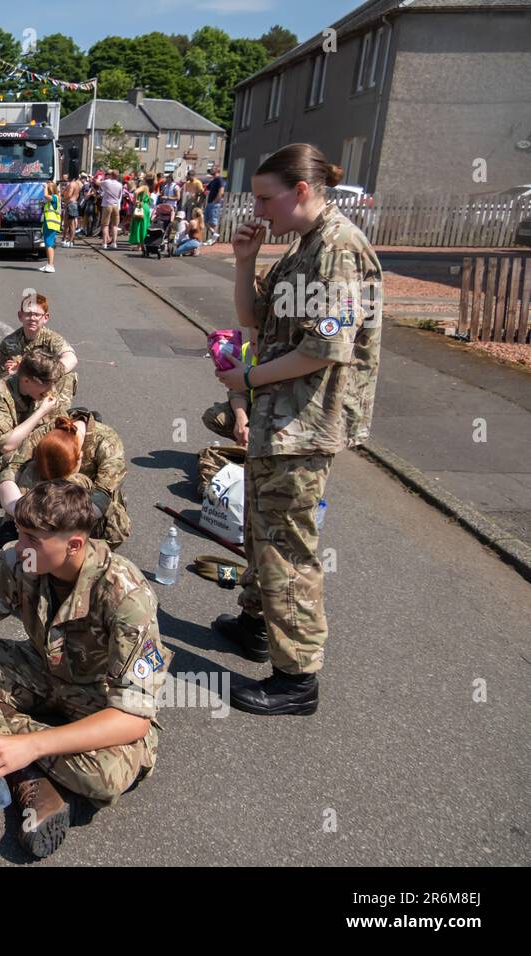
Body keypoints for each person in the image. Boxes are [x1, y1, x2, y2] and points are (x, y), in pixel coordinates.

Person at [0, 480, 167, 859]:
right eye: (20, 532)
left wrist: (29, 745)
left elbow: (134, 719)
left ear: (74, 545)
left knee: (107, 775)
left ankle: (4, 748)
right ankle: (26, 775)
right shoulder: (17, 561)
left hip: (99, 697)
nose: (20, 545)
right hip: (43, 668)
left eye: (33, 538)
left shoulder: (126, 594)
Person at [212, 143, 382, 717]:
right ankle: (257, 624)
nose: (258, 210)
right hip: (279, 421)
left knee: (288, 548)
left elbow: (324, 348)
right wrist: (244, 261)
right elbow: (252, 319)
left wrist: (249, 376)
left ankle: (297, 678)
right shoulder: (303, 246)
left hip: (304, 423)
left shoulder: (337, 248)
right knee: (263, 532)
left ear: (301, 190)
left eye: (266, 198)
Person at [0, 412, 132, 548]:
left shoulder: (108, 442)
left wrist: (54, 523)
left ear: (80, 457)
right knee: (30, 469)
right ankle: (15, 531)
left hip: (83, 508)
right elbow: (12, 469)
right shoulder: (45, 433)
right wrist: (19, 512)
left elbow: (102, 495)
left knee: (76, 481)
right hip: (42, 506)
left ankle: (62, 544)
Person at [0, 349, 69, 491]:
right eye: (47, 384)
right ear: (26, 380)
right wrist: (40, 412)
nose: (51, 388)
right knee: (33, 466)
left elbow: (60, 424)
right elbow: (6, 446)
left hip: (29, 449)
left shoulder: (40, 390)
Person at [0, 292, 79, 407]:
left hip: (46, 387)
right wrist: (14, 373)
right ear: (20, 316)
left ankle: (59, 413)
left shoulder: (52, 339)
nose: (32, 318)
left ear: (45, 318)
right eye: (28, 314)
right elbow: (5, 378)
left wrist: (46, 372)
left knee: (67, 376)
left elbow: (71, 358)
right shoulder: (9, 343)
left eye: (37, 314)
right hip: (23, 390)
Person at [40, 180, 62, 273]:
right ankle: (48, 264)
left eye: (47, 188)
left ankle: (51, 265)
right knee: (47, 244)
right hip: (48, 224)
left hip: (51, 225)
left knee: (49, 245)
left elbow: (45, 195)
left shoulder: (55, 197)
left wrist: (45, 187)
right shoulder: (51, 200)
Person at [98, 169, 123, 249]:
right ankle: (114, 243)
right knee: (115, 225)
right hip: (115, 205)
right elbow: (119, 196)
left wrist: (99, 177)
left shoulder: (107, 182)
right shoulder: (120, 185)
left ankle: (104, 243)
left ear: (111, 175)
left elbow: (97, 182)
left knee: (105, 225)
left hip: (107, 205)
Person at [128, 176, 153, 248]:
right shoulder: (147, 188)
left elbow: (136, 192)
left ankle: (140, 245)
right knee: (143, 226)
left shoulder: (144, 186)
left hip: (141, 207)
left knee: (139, 225)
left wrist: (135, 201)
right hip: (145, 207)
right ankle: (140, 245)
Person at [204, 167, 225, 244]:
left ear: (217, 170)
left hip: (215, 203)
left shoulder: (220, 179)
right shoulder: (213, 180)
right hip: (209, 203)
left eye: (213, 169)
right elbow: (207, 188)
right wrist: (205, 191)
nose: (211, 171)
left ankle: (213, 239)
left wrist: (215, 201)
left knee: (213, 222)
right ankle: (214, 234)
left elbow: (221, 191)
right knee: (205, 220)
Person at [62, 173, 82, 247]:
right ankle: (69, 240)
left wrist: (63, 197)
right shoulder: (77, 185)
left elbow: (68, 195)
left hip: (70, 204)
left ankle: (69, 241)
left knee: (70, 224)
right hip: (73, 203)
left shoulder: (71, 184)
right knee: (70, 224)